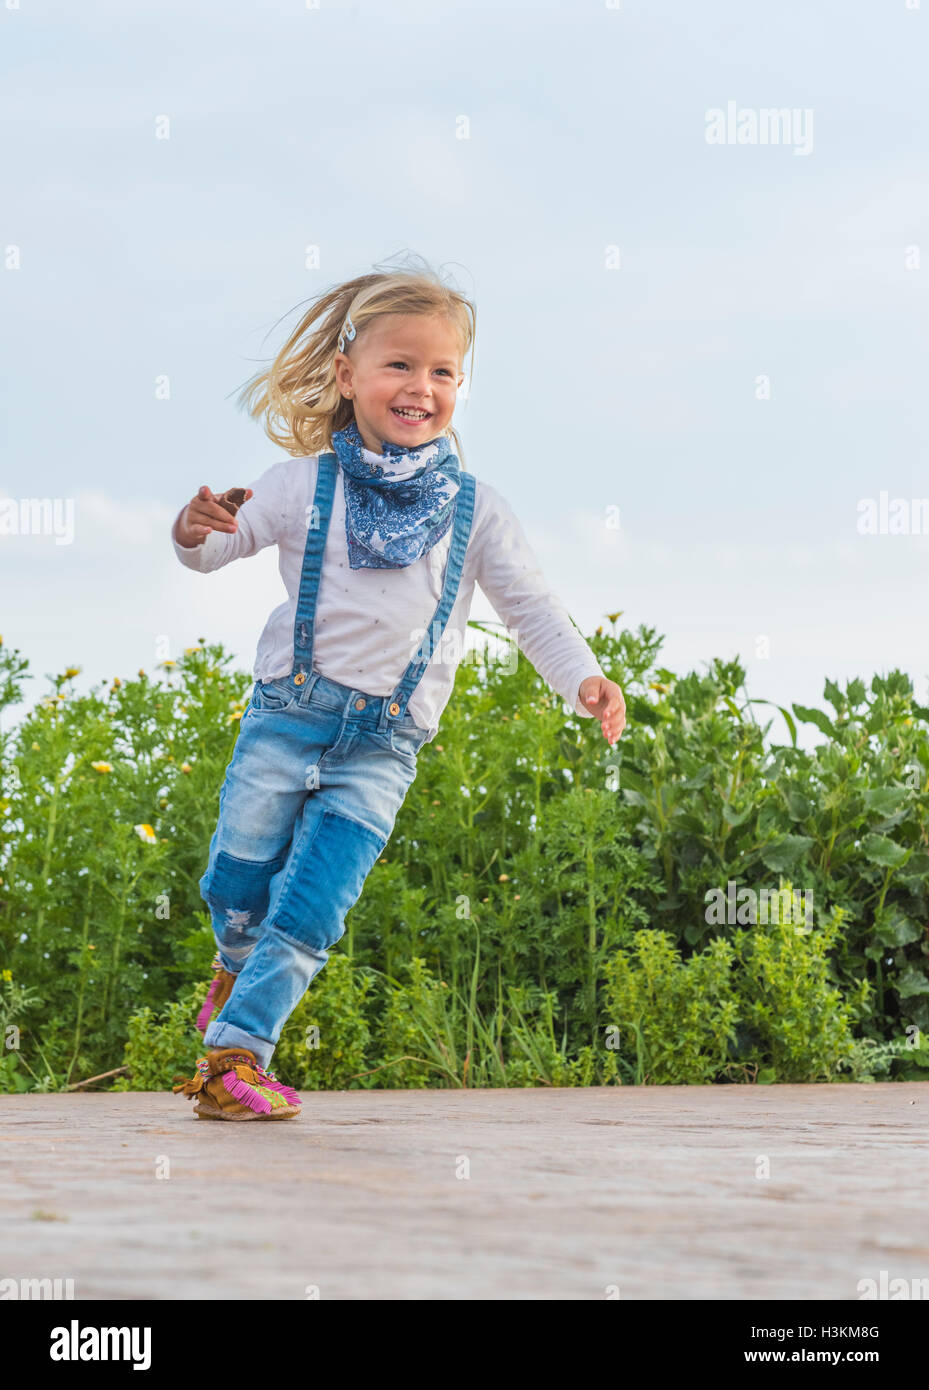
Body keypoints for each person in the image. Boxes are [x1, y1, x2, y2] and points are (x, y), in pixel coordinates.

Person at [169, 264, 626, 1120]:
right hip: (287, 718)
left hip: (384, 746)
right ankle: (233, 962)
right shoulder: (301, 483)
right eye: (399, 366)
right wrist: (195, 532)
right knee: (239, 876)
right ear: (347, 376)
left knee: (312, 910)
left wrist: (584, 677)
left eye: (443, 371)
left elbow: (529, 607)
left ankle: (236, 1055)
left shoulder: (475, 509)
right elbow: (218, 548)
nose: (421, 387)